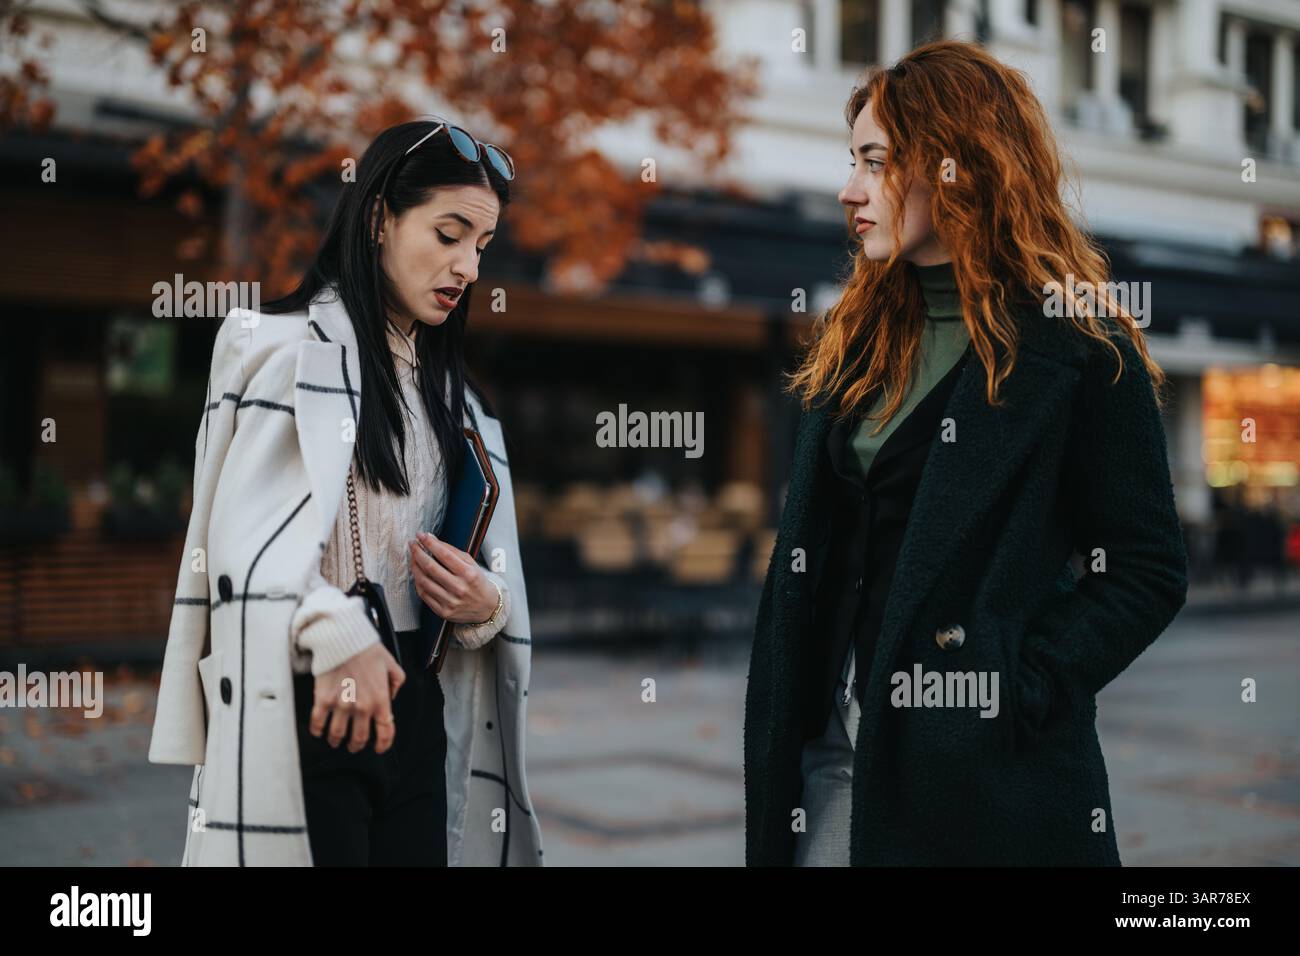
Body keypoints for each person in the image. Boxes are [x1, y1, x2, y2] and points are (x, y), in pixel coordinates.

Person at [744, 41, 1189, 866]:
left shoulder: (1081, 348)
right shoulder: (856, 336)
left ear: (957, 166)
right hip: (827, 761)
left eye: (874, 163)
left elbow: (1146, 566)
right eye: (852, 162)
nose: (849, 192)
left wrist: (1016, 685)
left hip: (980, 782)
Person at [148, 118, 545, 867]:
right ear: (378, 218)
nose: (467, 267)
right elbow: (239, 542)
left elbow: (493, 580)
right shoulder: (279, 350)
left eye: (481, 247)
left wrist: (484, 607)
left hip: (417, 703)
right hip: (304, 698)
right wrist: (335, 631)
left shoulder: (459, 402)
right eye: (448, 233)